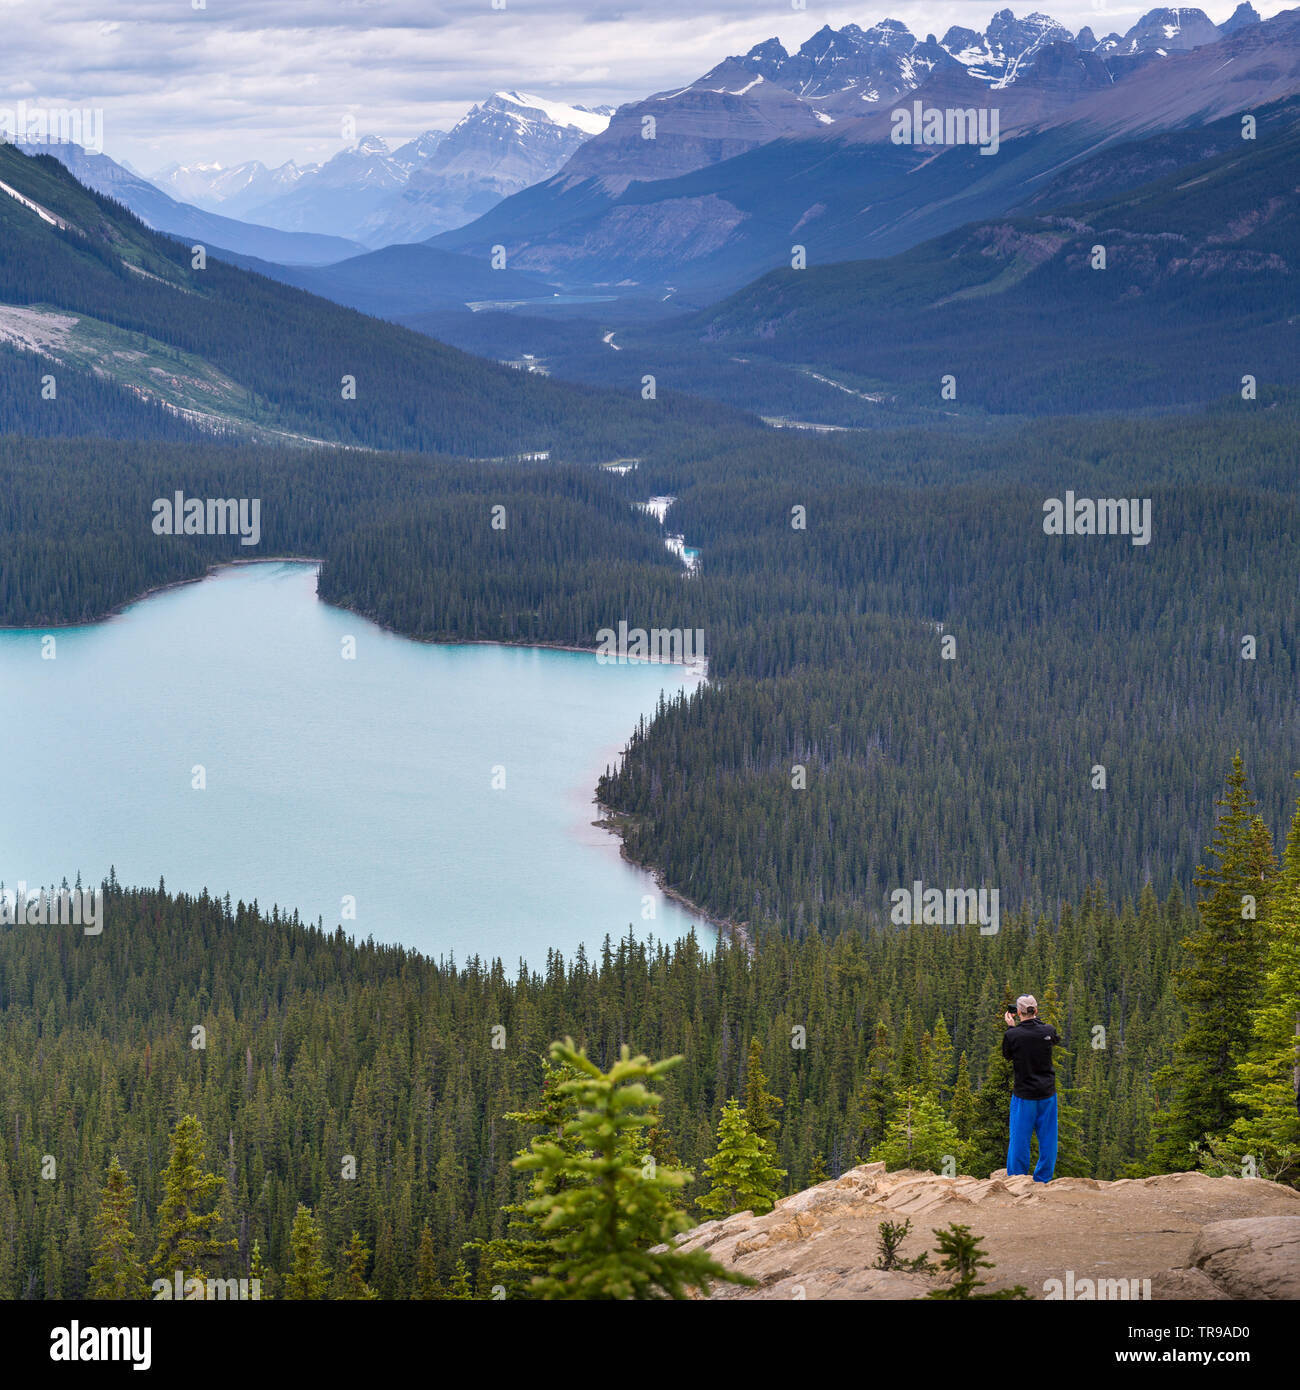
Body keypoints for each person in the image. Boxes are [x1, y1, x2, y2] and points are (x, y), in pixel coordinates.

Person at [1002, 994, 1061, 1182]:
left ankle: (1017, 1179)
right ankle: (1043, 1178)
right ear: (1035, 1010)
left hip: (1024, 1094)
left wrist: (1012, 1028)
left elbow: (1007, 1055)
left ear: (1018, 1012)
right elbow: (1054, 1039)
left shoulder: (1012, 1035)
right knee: (1048, 1138)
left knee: (1019, 1138)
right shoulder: (1049, 1030)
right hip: (1047, 1094)